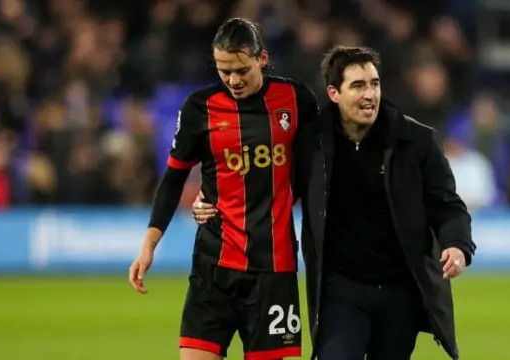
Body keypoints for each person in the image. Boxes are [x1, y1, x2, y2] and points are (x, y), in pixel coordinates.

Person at [191, 45, 477, 360]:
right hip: (342, 291)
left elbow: (447, 205)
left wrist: (457, 245)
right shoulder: (310, 143)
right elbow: (271, 189)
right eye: (358, 85)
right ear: (333, 93)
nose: (370, 94)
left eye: (375, 83)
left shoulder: (416, 141)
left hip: (401, 292)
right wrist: (215, 198)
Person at [128, 18, 319, 360]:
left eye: (241, 70)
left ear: (262, 58)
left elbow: (311, 175)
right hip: (213, 265)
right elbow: (173, 178)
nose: (233, 80)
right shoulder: (199, 108)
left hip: (273, 270)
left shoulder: (296, 99)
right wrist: (148, 244)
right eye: (223, 70)